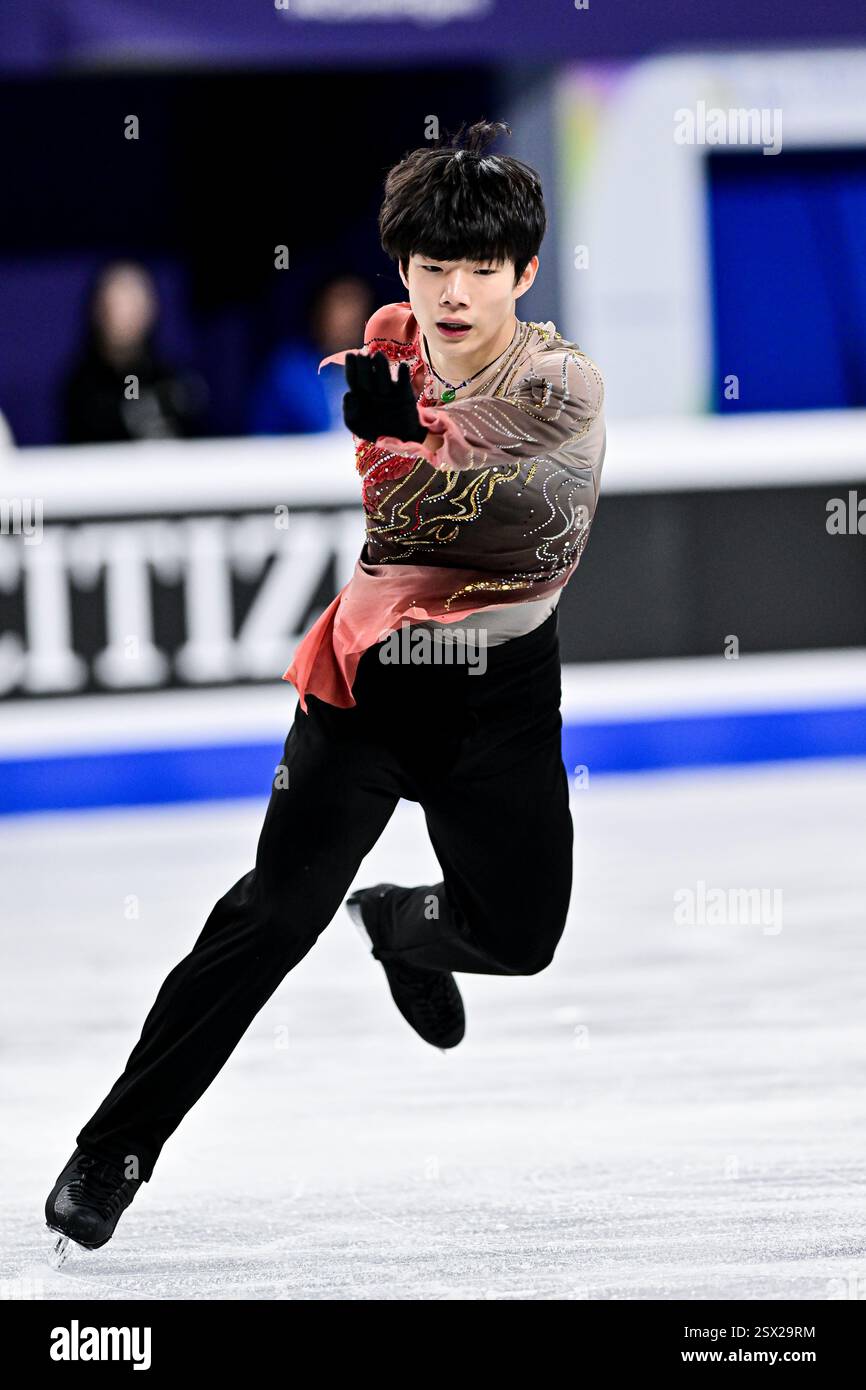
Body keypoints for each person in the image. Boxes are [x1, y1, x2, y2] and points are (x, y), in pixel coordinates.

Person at [44, 119, 606, 1257]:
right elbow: (401, 496)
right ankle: (114, 1147)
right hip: (369, 686)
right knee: (269, 915)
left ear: (524, 273)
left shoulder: (562, 381)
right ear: (403, 268)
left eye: (480, 269)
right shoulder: (385, 343)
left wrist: (416, 420)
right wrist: (394, 415)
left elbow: (496, 444)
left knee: (521, 936)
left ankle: (400, 922)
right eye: (432, 266)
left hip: (500, 695)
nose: (453, 292)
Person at [62, 261, 206, 444]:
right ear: (98, 309)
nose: (127, 313)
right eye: (118, 302)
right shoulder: (82, 386)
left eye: (134, 301)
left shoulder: (170, 378)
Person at [247, 274, 374, 434]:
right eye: (341, 303)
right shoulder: (289, 369)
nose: (350, 317)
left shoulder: (385, 368)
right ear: (319, 311)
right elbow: (260, 437)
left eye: (358, 305)